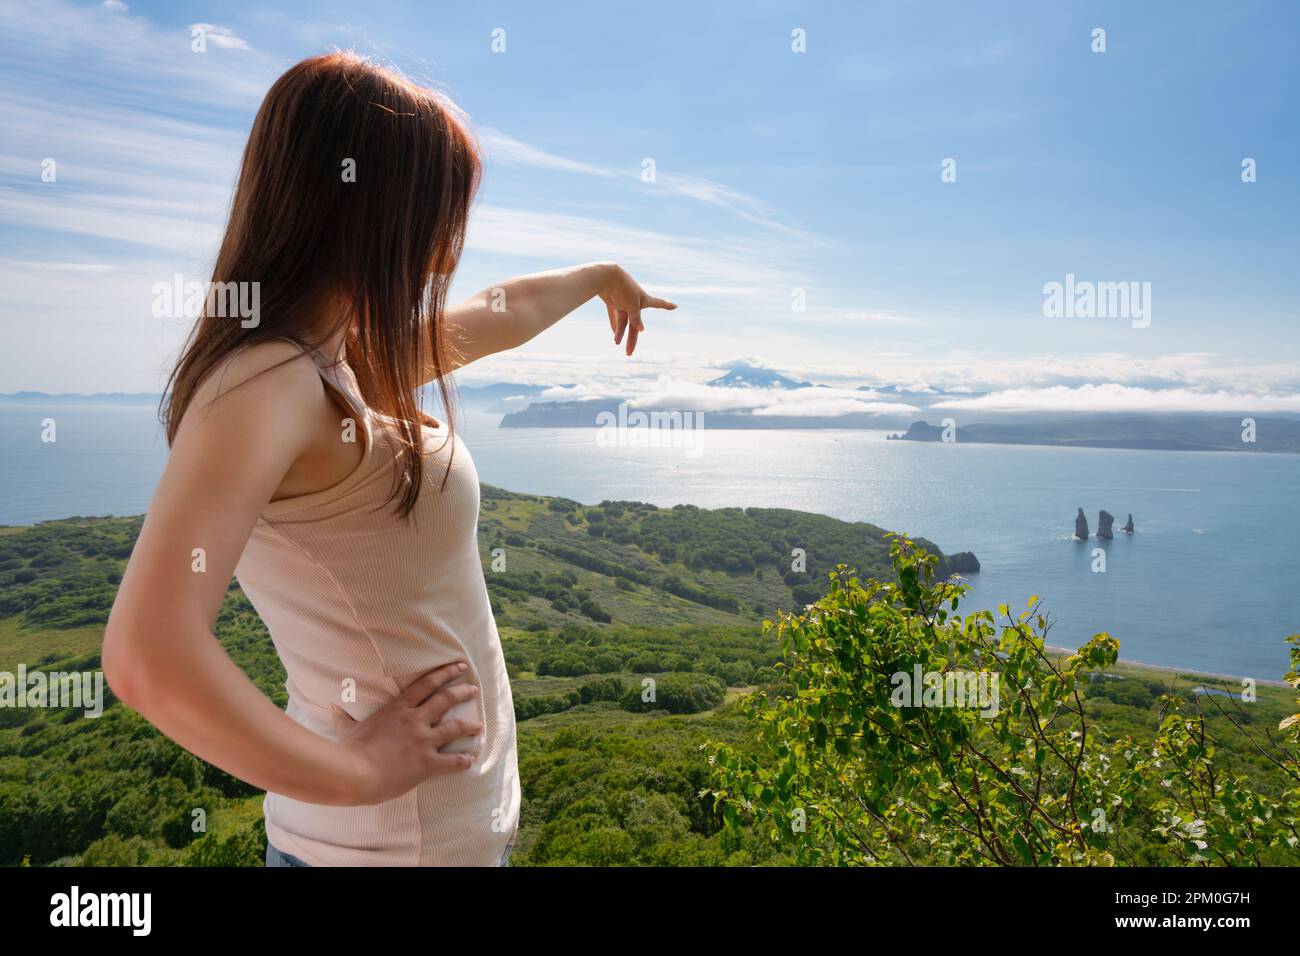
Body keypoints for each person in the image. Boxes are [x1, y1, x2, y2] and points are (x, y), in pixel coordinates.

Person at [102, 52, 676, 866]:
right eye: (444, 202)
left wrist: (597, 278)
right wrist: (355, 772)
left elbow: (491, 316)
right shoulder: (268, 385)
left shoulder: (332, 361)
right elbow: (146, 657)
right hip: (373, 852)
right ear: (373, 202)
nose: (455, 230)